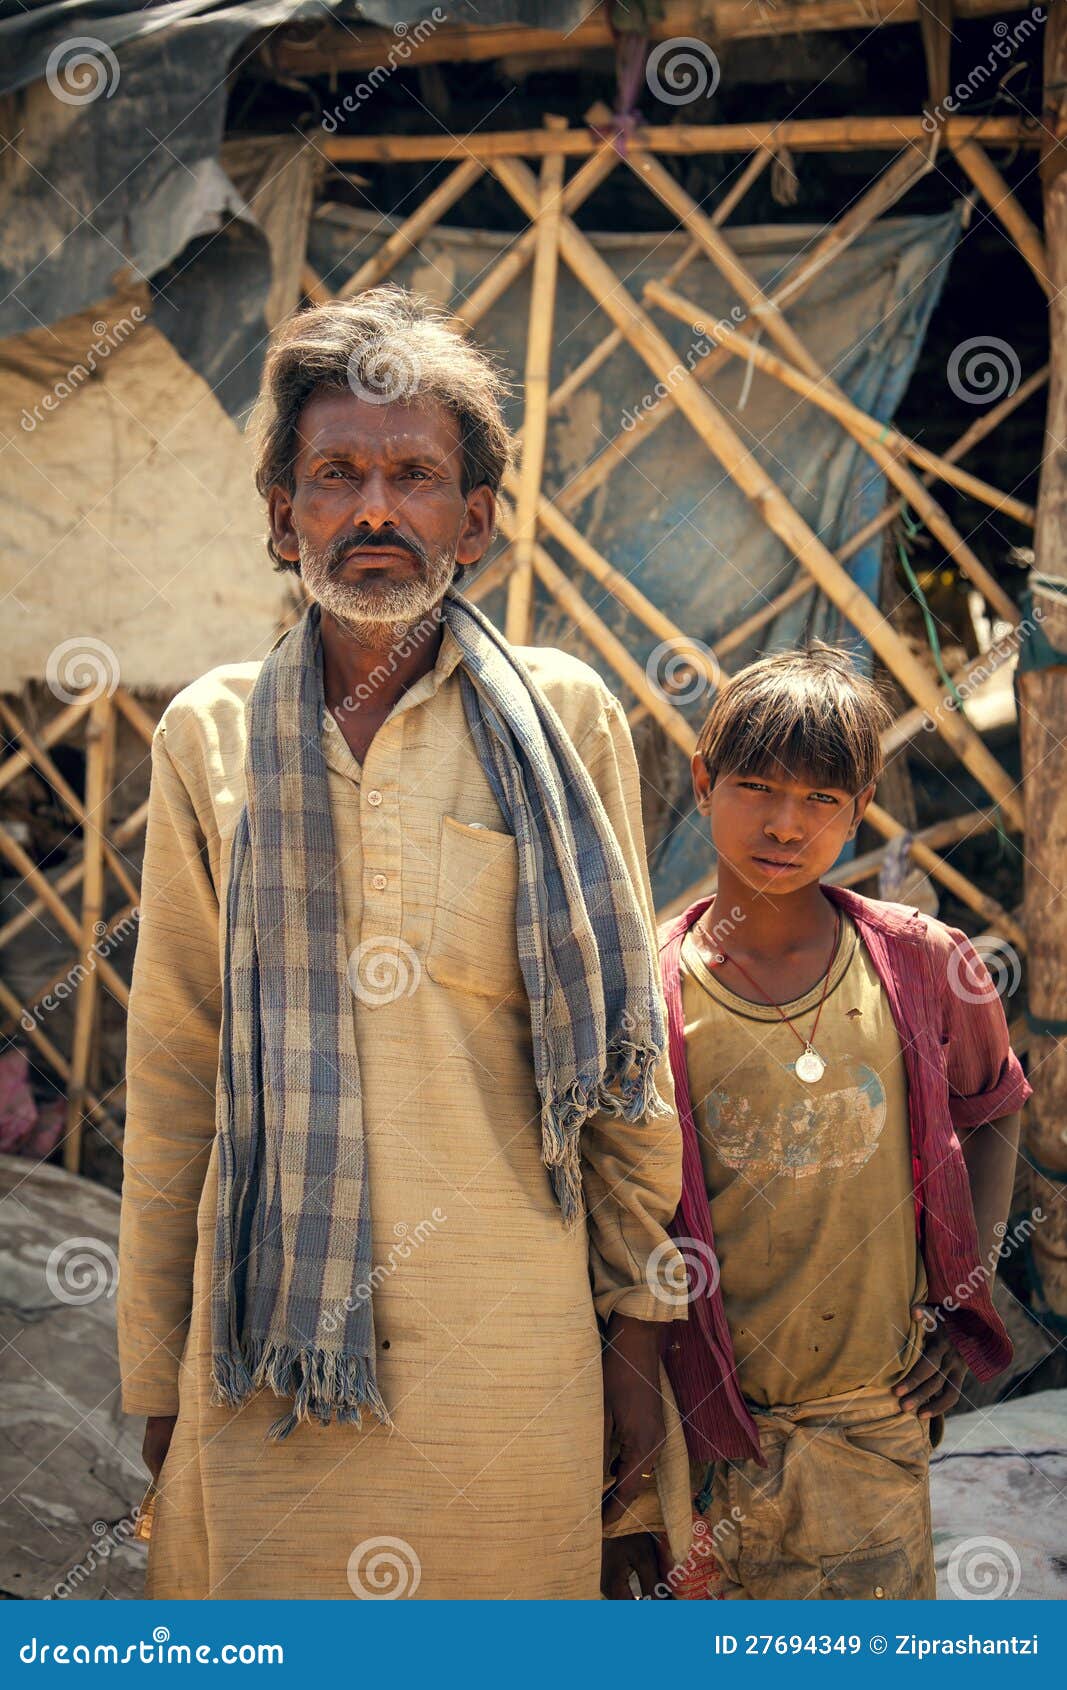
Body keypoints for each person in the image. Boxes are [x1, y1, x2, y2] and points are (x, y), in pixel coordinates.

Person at [116, 285, 690, 1599]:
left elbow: (624, 1064)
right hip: (263, 1362)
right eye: (336, 475)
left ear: (472, 520)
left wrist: (636, 1335)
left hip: (512, 1356)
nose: (374, 510)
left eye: (415, 476)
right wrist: (159, 1377)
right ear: (282, 516)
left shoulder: (567, 718)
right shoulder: (208, 734)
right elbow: (170, 1068)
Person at [607, 644, 1031, 1600]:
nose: (784, 824)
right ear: (703, 782)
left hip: (873, 1420)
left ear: (861, 801)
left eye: (821, 800)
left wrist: (961, 1298)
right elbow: (618, 1221)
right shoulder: (648, 992)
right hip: (704, 1429)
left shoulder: (925, 963)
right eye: (755, 787)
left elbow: (995, 1104)